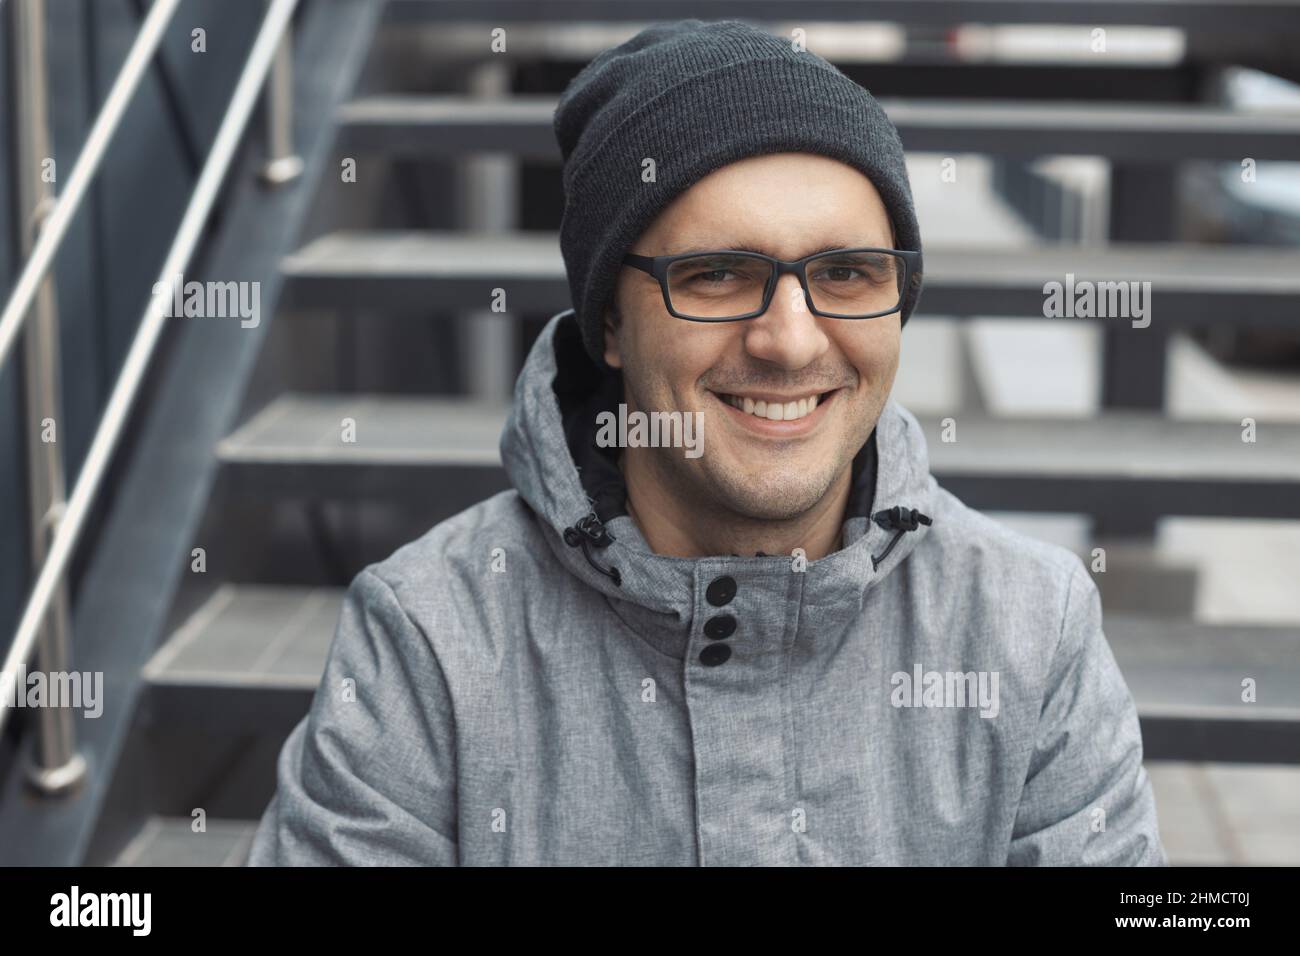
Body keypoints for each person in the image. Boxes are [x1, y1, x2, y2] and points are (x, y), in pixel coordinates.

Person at [247, 19, 1165, 866]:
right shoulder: (431, 641)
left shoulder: (1028, 630)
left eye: (846, 274)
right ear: (610, 321)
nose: (792, 339)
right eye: (719, 274)